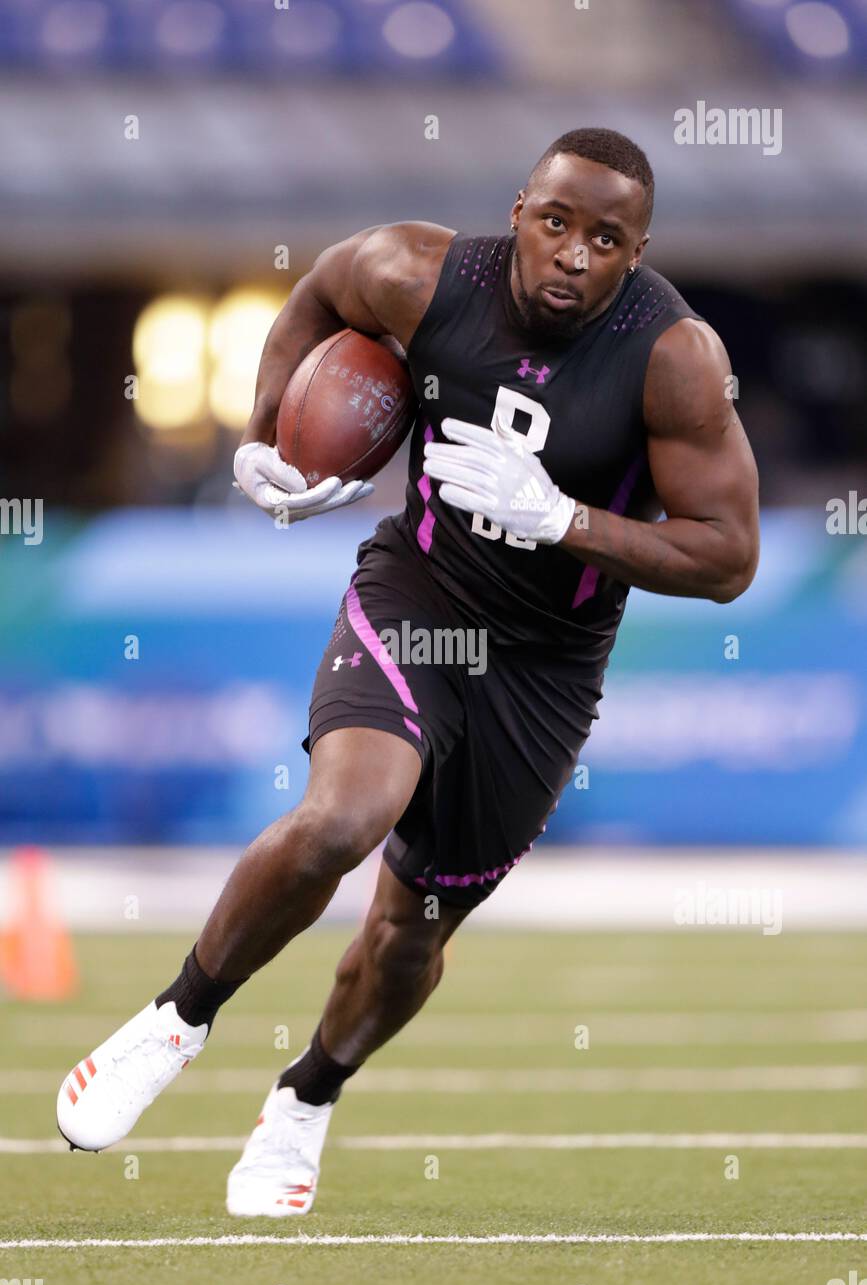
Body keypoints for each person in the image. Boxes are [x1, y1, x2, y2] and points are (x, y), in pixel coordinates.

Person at [56, 128, 759, 1216]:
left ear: (639, 252)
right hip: (419, 598)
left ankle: (304, 1100)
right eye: (558, 222)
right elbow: (317, 298)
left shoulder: (673, 356)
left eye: (607, 239)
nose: (575, 253)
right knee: (342, 819)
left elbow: (729, 556)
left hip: (545, 667)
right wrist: (263, 435)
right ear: (520, 208)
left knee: (408, 936)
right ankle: (175, 1021)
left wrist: (565, 519)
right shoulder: (416, 272)